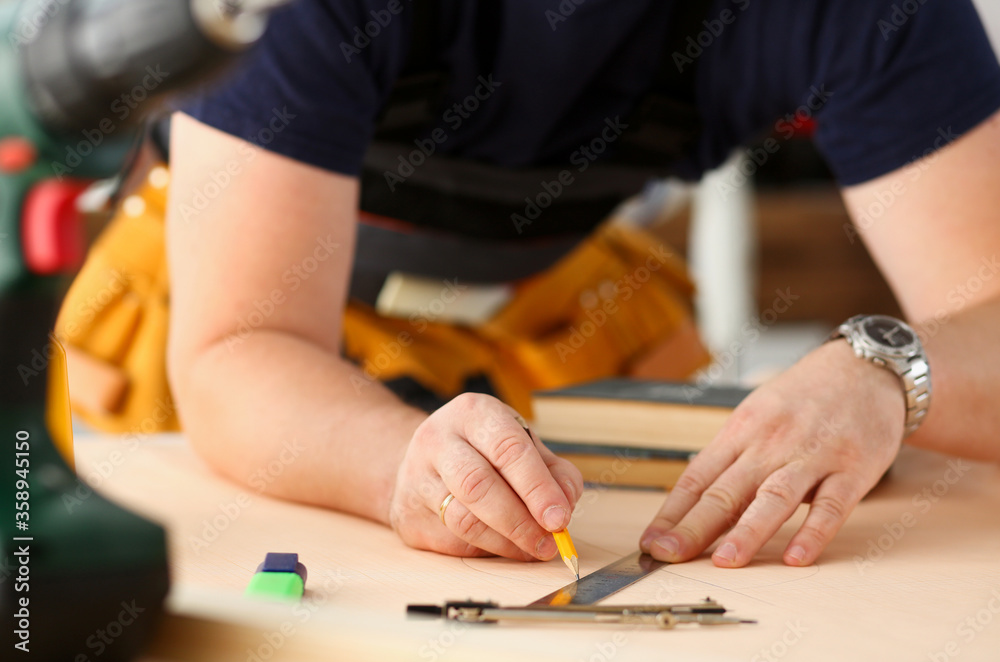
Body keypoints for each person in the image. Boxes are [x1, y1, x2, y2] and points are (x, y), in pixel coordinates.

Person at [163, 0, 1000, 568]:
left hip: (555, 313)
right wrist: (394, 468)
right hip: (257, 366)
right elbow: (236, 346)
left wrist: (890, 369)